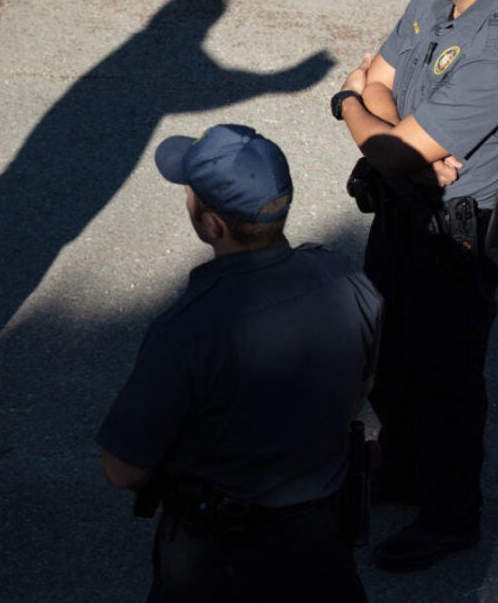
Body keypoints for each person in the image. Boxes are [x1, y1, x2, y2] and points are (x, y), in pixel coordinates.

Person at [330, 0, 498, 572]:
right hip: (403, 212)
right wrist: (380, 117)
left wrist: (348, 106)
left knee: (446, 383)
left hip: (455, 240)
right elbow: (380, 79)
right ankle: (399, 473)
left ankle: (451, 517)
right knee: (387, 359)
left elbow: (378, 120)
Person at [96, 124, 382, 602]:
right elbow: (362, 387)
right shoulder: (347, 279)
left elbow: (122, 471)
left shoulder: (187, 329)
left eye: (191, 194)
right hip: (321, 544)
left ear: (212, 224)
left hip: (219, 559)